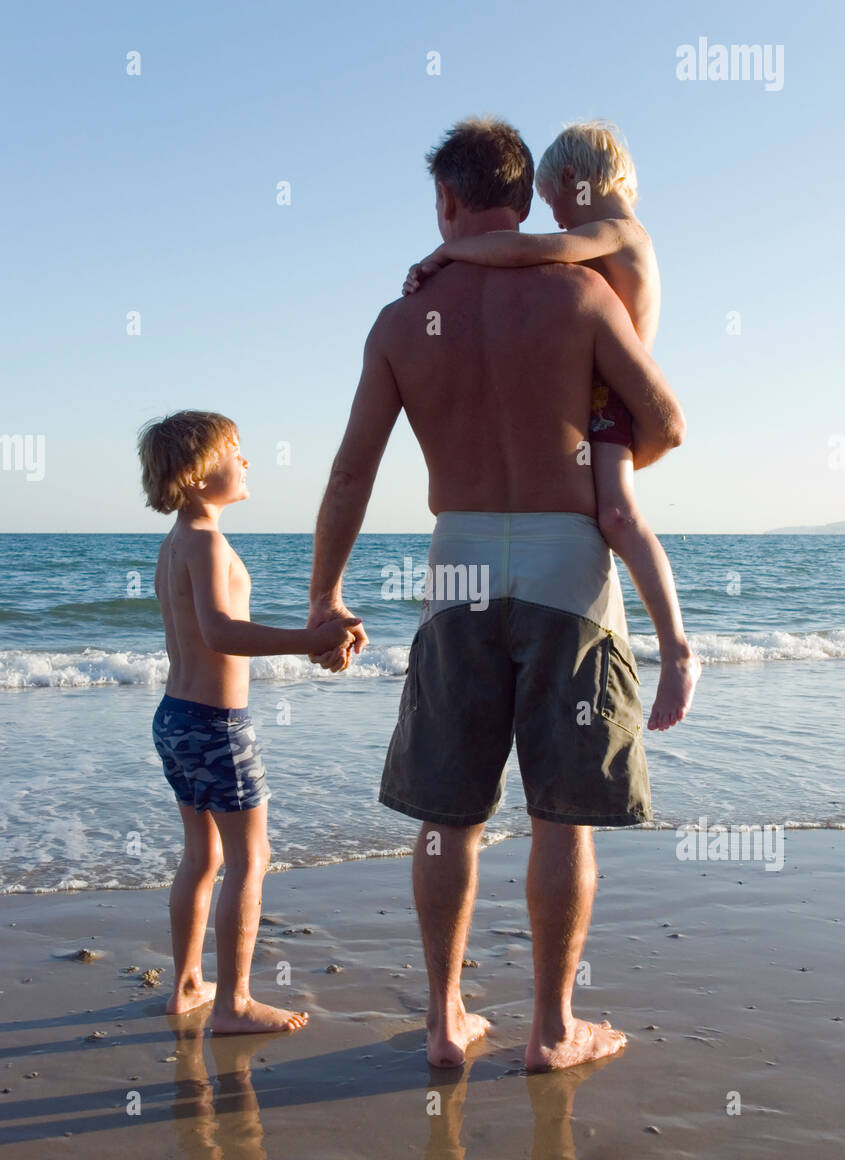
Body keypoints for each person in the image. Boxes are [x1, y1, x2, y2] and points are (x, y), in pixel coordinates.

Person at [306, 117, 686, 1071]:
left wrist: (325, 597)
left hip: (458, 563)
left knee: (451, 812)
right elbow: (668, 420)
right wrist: (603, 461)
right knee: (558, 814)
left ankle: (445, 1021)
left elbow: (351, 474)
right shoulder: (585, 292)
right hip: (568, 566)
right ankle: (554, 1029)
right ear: (528, 200)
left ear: (447, 203)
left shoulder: (403, 319)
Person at [403, 120, 700, 730]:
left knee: (618, 516)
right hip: (597, 397)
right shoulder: (618, 232)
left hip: (610, 398)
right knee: (608, 512)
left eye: (556, 203)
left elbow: (533, 250)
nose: (557, 219)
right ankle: (671, 646)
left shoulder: (615, 231)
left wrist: (449, 252)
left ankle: (676, 649)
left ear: (573, 179)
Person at [138, 409, 359, 1033]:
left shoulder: (177, 541)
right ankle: (234, 1003)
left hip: (176, 718)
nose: (246, 460)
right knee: (248, 860)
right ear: (198, 470)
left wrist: (312, 636)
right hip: (215, 727)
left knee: (201, 855)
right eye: (236, 450)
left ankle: (186, 984)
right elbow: (221, 632)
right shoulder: (205, 541)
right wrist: (310, 638)